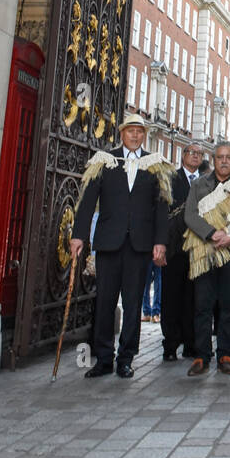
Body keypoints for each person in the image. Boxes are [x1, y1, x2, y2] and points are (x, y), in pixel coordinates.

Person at [70, 113, 171, 379]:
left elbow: (162, 208)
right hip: (108, 243)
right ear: (122, 132)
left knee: (133, 303)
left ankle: (126, 358)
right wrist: (78, 235)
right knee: (104, 302)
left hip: (139, 246)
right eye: (130, 131)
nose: (135, 136)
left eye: (140, 131)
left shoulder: (155, 165)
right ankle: (103, 358)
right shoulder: (105, 160)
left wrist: (160, 242)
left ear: (144, 134)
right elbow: (87, 201)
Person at [184, 141, 230, 376]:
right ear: (213, 159)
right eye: (220, 157)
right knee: (202, 305)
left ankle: (225, 354)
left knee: (228, 306)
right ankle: (201, 356)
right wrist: (211, 233)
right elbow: (190, 214)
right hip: (205, 251)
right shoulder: (198, 185)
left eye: (229, 157)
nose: (224, 161)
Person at [162, 142, 204, 361]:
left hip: (198, 250)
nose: (196, 156)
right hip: (174, 248)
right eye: (192, 153)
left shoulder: (206, 182)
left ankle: (191, 343)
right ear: (183, 155)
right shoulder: (170, 178)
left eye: (199, 154)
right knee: (171, 297)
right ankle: (170, 344)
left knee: (194, 299)